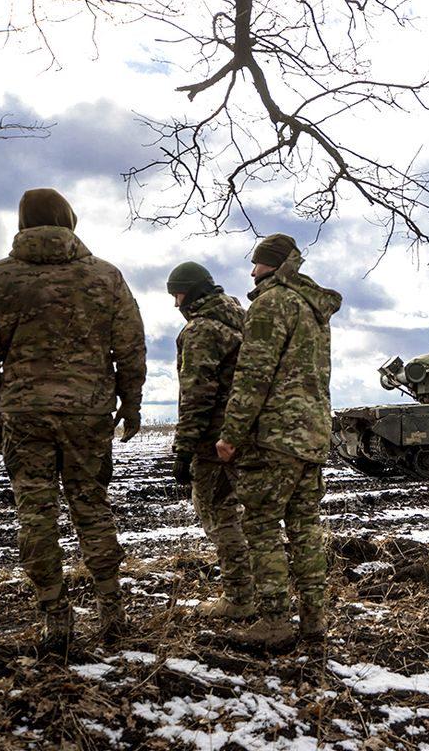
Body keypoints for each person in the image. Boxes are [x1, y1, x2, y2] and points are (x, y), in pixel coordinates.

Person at [0, 188, 146, 650]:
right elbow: (130, 347)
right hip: (88, 410)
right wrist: (131, 402)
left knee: (36, 513)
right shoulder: (105, 277)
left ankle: (55, 616)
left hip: (24, 412)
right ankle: (111, 608)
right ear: (70, 219)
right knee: (91, 504)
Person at [215, 233, 341, 650]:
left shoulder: (271, 304)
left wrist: (231, 436)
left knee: (262, 526)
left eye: (256, 264)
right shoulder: (312, 308)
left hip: (274, 438)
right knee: (305, 528)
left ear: (271, 265)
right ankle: (314, 621)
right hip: (312, 435)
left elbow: (252, 376)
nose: (251, 272)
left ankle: (273, 622)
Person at [166, 262, 254, 619]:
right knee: (252, 516)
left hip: (214, 441)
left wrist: (183, 449)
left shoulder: (202, 330)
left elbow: (197, 396)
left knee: (218, 515)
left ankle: (239, 597)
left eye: (179, 295)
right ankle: (266, 590)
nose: (176, 305)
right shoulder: (243, 320)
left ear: (193, 292)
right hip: (248, 433)